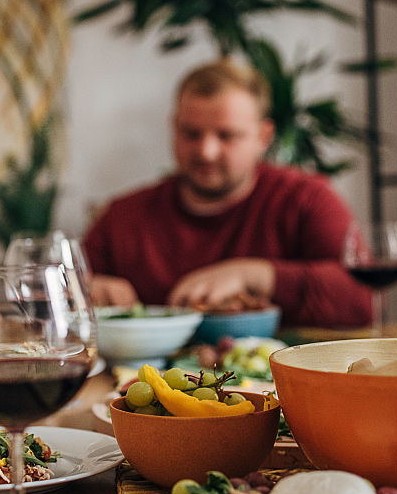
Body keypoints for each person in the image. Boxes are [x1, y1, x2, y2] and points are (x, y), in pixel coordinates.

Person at [82, 58, 372, 328]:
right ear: (174, 128)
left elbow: (363, 299)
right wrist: (84, 292)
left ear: (263, 136)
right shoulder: (123, 216)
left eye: (226, 135)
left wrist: (252, 275)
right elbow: (59, 292)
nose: (206, 152)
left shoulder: (307, 199)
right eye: (191, 134)